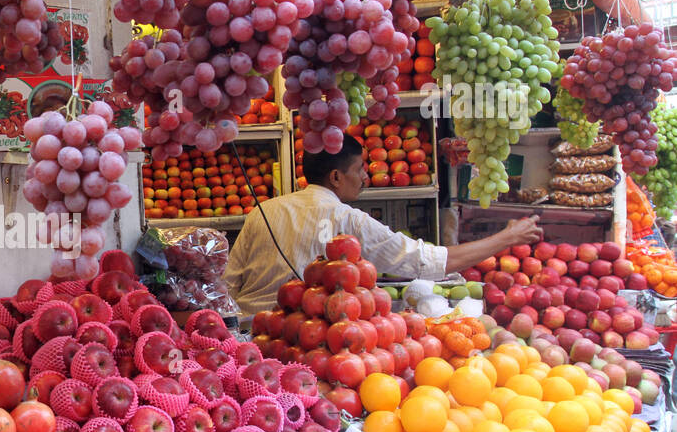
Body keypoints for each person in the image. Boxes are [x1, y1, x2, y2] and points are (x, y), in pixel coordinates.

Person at [225, 136, 543, 322]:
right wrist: (508, 237)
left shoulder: (262, 211)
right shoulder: (349, 221)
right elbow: (427, 262)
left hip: (251, 333)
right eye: (360, 169)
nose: (366, 177)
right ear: (336, 177)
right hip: (310, 340)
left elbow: (227, 282)